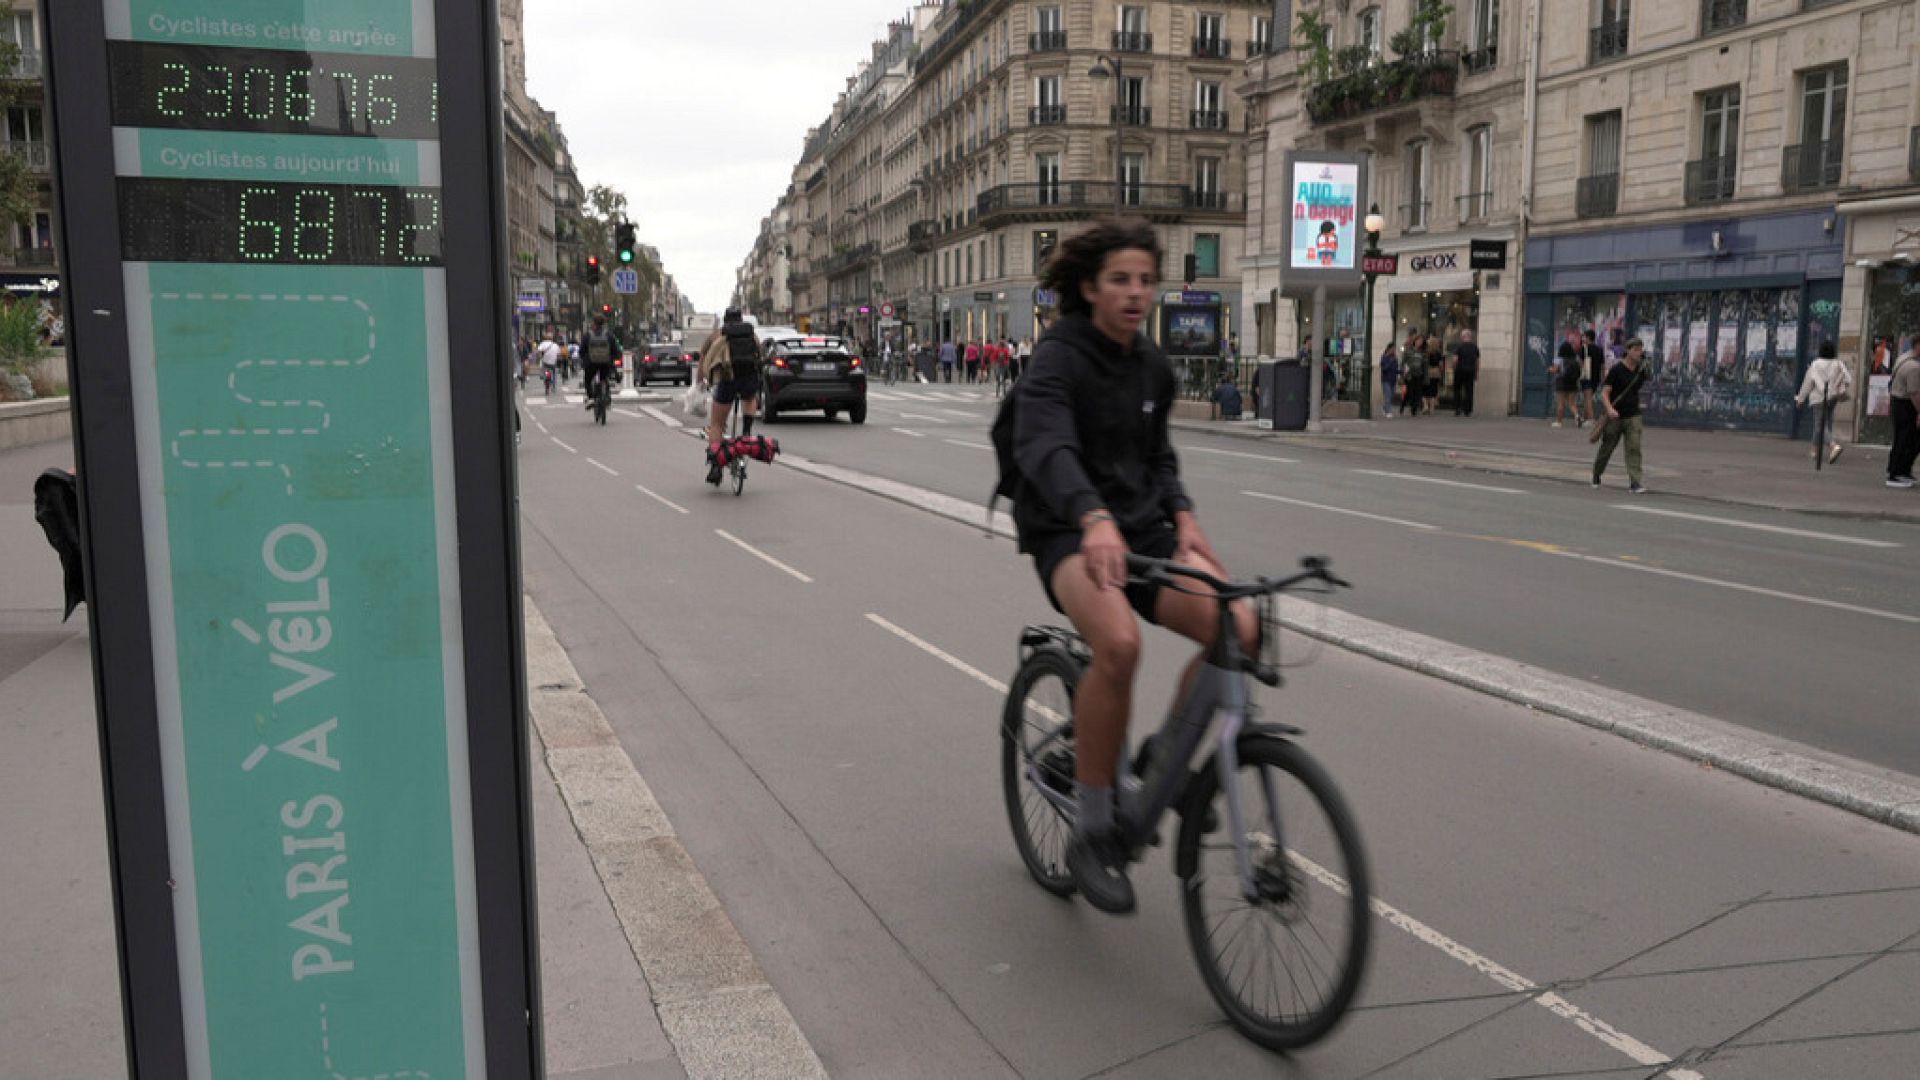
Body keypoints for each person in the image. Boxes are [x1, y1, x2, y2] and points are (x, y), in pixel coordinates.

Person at [1010, 218, 1253, 915]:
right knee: (1118, 644)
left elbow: (1159, 459)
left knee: (1239, 626)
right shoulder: (1058, 359)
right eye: (1120, 279)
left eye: (1146, 281)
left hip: (1141, 530)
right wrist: (1090, 517)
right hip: (1067, 529)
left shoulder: (1152, 367)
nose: (1136, 293)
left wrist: (1184, 517)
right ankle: (1093, 831)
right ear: (1090, 287)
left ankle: (1163, 762)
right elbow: (1047, 447)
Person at [704, 307, 765, 484]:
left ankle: (716, 466)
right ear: (741, 319)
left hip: (728, 379)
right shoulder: (751, 334)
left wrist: (705, 380)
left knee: (716, 424)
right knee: (750, 397)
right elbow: (759, 354)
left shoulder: (718, 335)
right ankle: (746, 429)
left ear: (725, 320)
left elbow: (707, 357)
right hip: (748, 379)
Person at [1592, 338, 1650, 493]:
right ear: (1628, 350)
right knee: (1607, 447)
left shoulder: (1640, 369)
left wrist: (1647, 366)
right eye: (1636, 349)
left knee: (1634, 448)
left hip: (1633, 414)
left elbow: (1647, 378)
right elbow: (1605, 393)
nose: (1639, 353)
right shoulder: (1616, 370)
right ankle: (1597, 473)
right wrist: (1609, 409)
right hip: (1615, 415)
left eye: (1640, 349)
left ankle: (1635, 482)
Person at [1794, 340, 1853, 466]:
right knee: (1822, 423)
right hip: (1833, 397)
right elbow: (1848, 379)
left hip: (1818, 398)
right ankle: (1814, 450)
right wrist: (1837, 385)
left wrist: (1800, 399)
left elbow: (1808, 383)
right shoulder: (1838, 363)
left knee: (1819, 425)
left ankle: (1833, 446)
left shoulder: (1816, 364)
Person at [1887, 342, 1920, 488]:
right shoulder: (1913, 366)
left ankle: (1900, 470)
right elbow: (1914, 393)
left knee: (1903, 438)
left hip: (1898, 402)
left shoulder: (1902, 358)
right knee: (1906, 439)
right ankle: (1896, 473)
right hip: (1906, 404)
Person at [579, 316, 622, 410]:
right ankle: (606, 396)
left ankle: (591, 398)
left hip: (591, 363)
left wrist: (584, 360)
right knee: (605, 378)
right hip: (606, 362)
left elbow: (581, 351)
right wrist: (613, 358)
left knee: (588, 380)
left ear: (593, 323)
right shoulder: (609, 335)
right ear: (603, 323)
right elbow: (616, 349)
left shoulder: (588, 335)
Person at [1553, 329, 1583, 427]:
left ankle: (1559, 422)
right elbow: (1580, 369)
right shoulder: (1575, 359)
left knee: (1561, 403)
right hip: (1573, 383)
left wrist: (1550, 370)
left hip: (1561, 383)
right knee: (1572, 403)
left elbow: (1556, 370)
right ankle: (1577, 416)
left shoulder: (1559, 359)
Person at [1452, 330, 1480, 417]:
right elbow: (1477, 361)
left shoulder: (1459, 347)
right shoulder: (1475, 347)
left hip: (1460, 371)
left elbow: (1455, 359)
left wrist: (1454, 368)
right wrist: (1476, 372)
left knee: (1457, 390)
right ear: (1470, 337)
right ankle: (1467, 410)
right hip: (1470, 371)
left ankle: (1457, 408)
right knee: (1469, 391)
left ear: (1462, 337)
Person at [1581, 328, 1606, 425]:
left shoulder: (1584, 348)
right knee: (1588, 397)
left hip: (1586, 376)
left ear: (1588, 338)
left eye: (1584, 337)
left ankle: (1591, 419)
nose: (1583, 339)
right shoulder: (1599, 349)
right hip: (1596, 377)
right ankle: (1584, 417)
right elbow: (1603, 365)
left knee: (1587, 398)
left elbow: (1581, 363)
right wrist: (1603, 378)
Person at [1400, 334, 1427, 418]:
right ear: (1415, 341)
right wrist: (1403, 375)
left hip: (1419, 374)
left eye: (1421, 341)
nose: (1420, 343)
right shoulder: (1408, 351)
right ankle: (1403, 405)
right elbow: (1403, 363)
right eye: (1418, 341)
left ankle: (1414, 409)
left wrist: (1426, 377)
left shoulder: (1422, 353)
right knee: (1409, 392)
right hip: (1410, 375)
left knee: (1417, 392)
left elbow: (1425, 366)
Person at [1422, 335, 1444, 416]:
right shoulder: (1438, 353)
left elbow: (1424, 363)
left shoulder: (1426, 352)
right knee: (1433, 391)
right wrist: (1441, 373)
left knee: (1425, 390)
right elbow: (1441, 365)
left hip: (1427, 372)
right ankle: (1431, 409)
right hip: (1436, 372)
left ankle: (1425, 406)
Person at [1379, 340, 1400, 419]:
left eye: (1394, 349)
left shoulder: (1395, 358)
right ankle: (1389, 412)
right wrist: (1390, 362)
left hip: (1393, 380)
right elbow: (1384, 368)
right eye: (1392, 349)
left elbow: (1396, 369)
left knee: (1392, 396)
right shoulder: (1384, 357)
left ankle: (1385, 407)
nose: (1393, 350)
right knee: (1388, 396)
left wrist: (1402, 371)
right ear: (1388, 349)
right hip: (1386, 380)